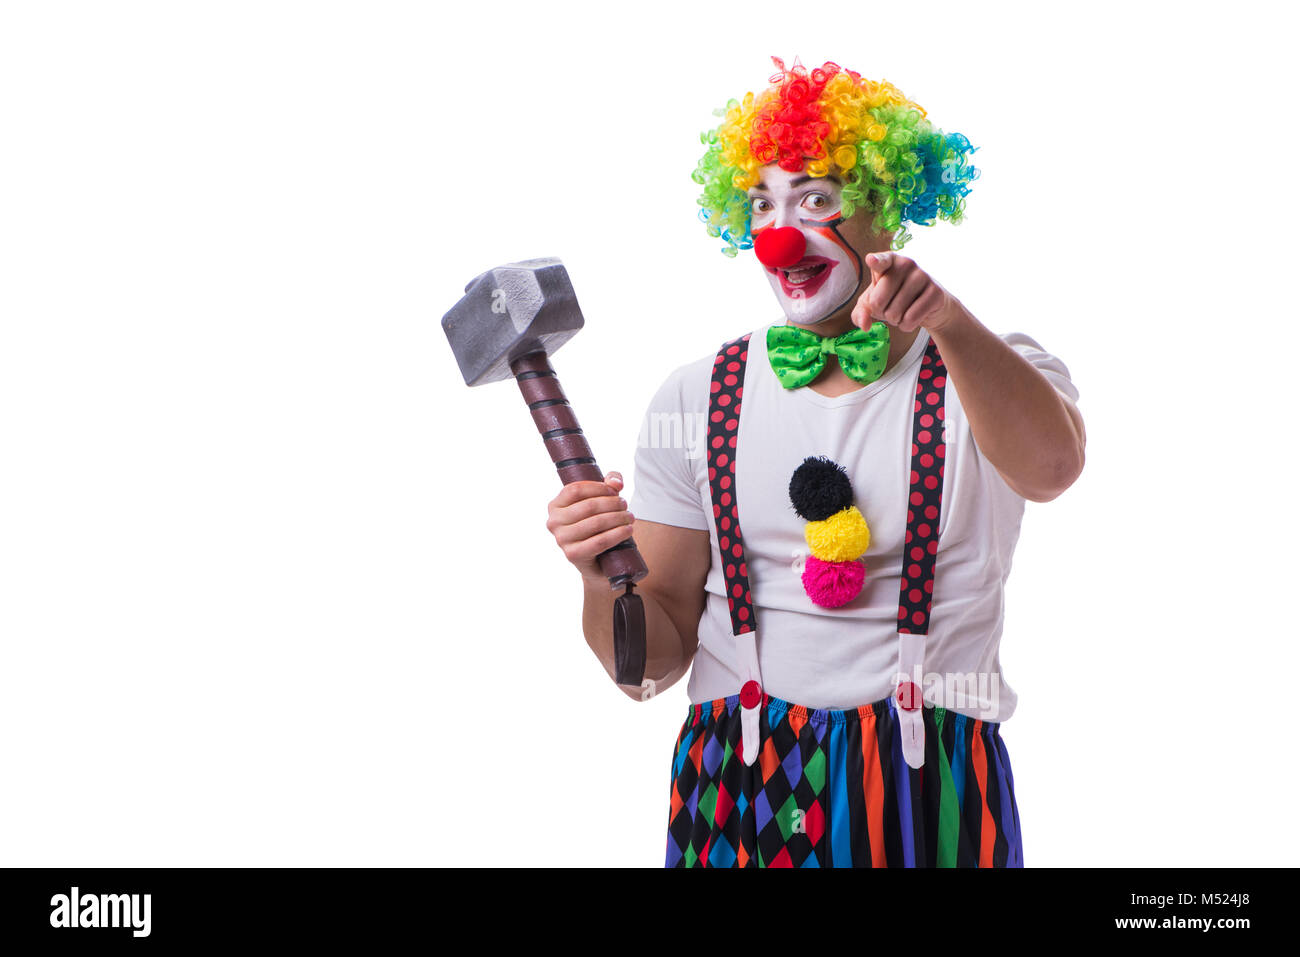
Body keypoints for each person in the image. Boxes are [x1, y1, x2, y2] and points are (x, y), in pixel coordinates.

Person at [544, 57, 1085, 867]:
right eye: (762, 203)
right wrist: (596, 575)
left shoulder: (992, 367)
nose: (779, 231)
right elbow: (649, 670)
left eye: (815, 200)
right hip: (735, 772)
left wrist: (949, 322)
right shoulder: (694, 395)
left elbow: (1053, 468)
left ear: (887, 205)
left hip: (931, 768)